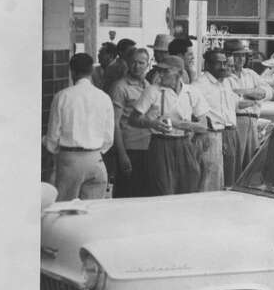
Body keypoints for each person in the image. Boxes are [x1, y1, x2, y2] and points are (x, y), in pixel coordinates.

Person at [133, 55, 211, 195]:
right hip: (161, 144)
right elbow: (133, 119)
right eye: (159, 71)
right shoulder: (153, 90)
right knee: (163, 190)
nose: (160, 75)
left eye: (166, 71)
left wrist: (176, 123)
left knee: (189, 186)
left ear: (179, 74)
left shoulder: (191, 91)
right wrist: (152, 123)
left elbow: (203, 126)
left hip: (185, 143)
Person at [43, 53, 115, 201]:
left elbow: (53, 136)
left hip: (70, 160)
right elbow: (108, 137)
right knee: (93, 211)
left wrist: (52, 149)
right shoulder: (104, 97)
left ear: (72, 71)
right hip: (96, 160)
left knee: (65, 211)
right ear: (91, 71)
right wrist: (96, 150)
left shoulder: (62, 96)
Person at [108, 47, 155, 198]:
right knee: (127, 194)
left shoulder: (149, 86)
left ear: (148, 64)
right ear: (127, 63)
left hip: (149, 147)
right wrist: (122, 154)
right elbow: (114, 123)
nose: (137, 66)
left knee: (145, 195)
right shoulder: (120, 87)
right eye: (133, 62)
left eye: (141, 63)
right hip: (130, 148)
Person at [191, 48, 239, 191]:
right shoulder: (199, 84)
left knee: (229, 182)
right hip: (211, 135)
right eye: (219, 63)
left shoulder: (226, 83)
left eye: (225, 63)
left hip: (230, 134)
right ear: (208, 65)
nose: (223, 67)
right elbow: (192, 112)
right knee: (210, 180)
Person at [225, 38, 272, 180]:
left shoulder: (250, 74)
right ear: (229, 56)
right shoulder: (226, 77)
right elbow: (236, 103)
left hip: (253, 122)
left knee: (252, 164)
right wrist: (254, 97)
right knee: (236, 164)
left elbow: (268, 92)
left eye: (243, 55)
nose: (241, 59)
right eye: (237, 55)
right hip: (237, 121)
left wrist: (243, 91)